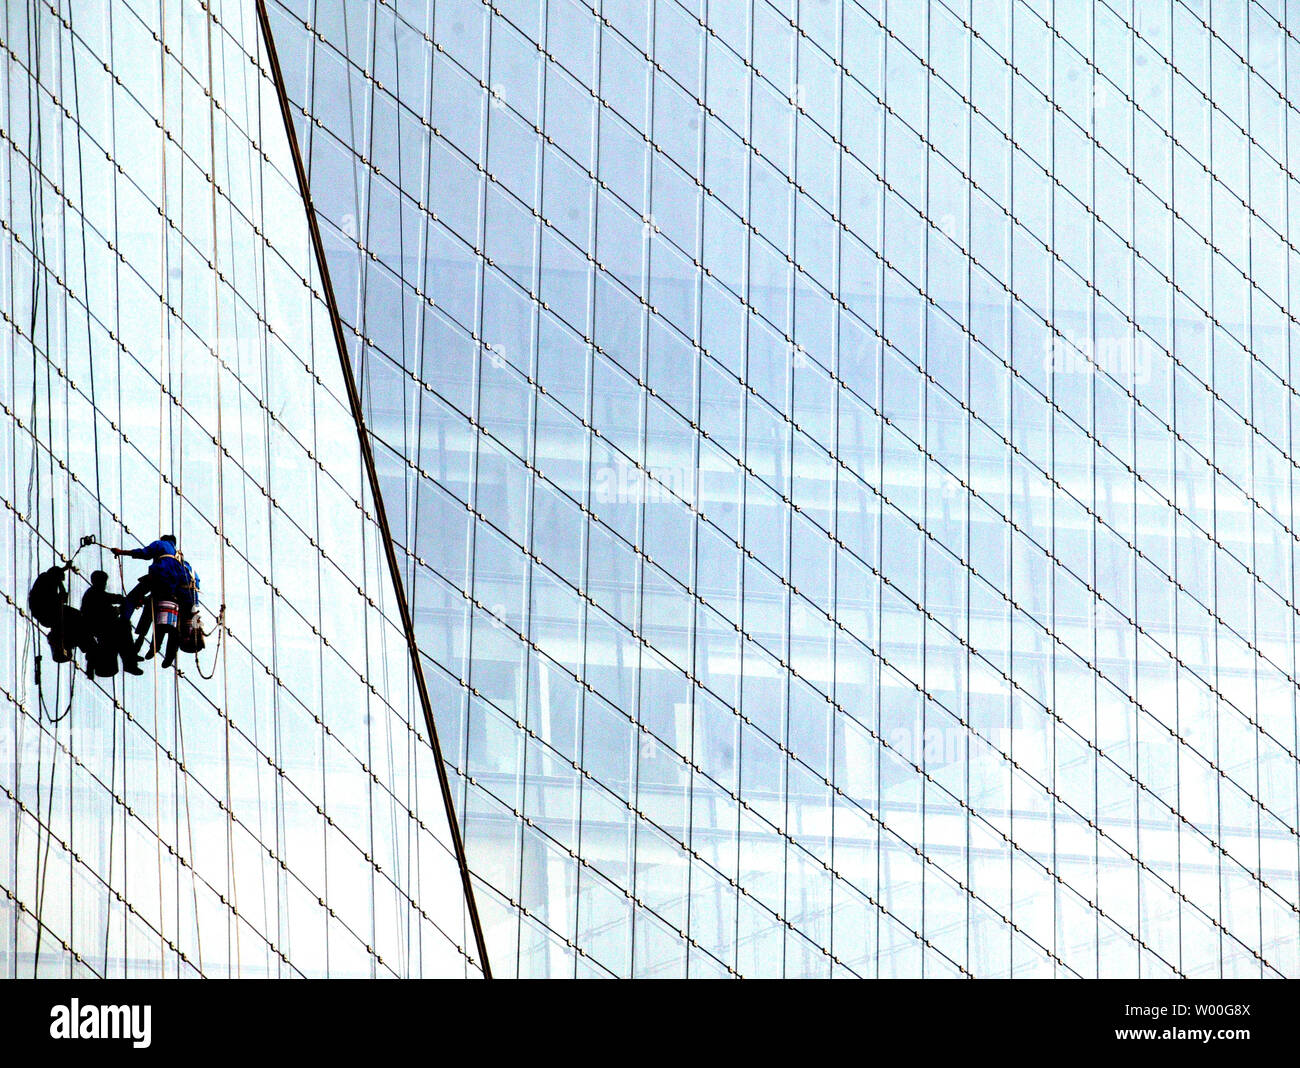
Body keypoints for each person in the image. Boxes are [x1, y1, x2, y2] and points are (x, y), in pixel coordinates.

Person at [111, 534, 191, 669]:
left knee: (133, 598)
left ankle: (126, 622)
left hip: (159, 576)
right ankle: (153, 647)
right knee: (151, 604)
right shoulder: (180, 557)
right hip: (172, 587)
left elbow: (145, 553)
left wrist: (121, 552)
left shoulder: (161, 544)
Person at [80, 570, 143, 677]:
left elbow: (113, 599)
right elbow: (111, 602)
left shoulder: (93, 593)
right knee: (124, 628)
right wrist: (121, 607)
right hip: (101, 627)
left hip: (101, 627)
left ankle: (130, 659)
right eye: (103, 582)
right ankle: (130, 661)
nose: (105, 585)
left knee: (123, 630)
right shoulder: (95, 594)